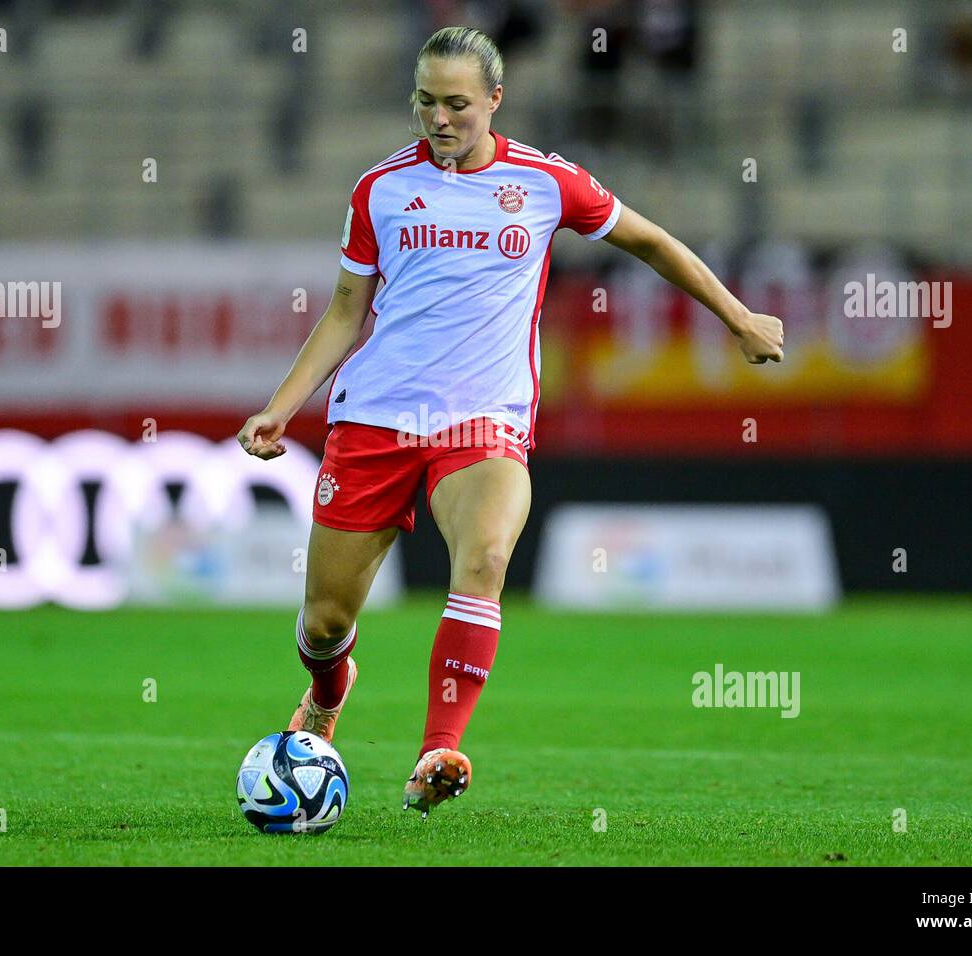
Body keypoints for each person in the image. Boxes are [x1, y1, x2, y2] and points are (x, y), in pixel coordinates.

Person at [236, 25, 784, 817]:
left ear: (495, 98)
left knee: (486, 556)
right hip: (376, 421)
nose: (440, 119)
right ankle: (329, 687)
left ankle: (438, 749)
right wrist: (280, 408)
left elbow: (652, 242)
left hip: (483, 422)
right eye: (426, 101)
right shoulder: (380, 190)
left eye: (457, 104)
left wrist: (736, 317)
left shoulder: (546, 182)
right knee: (325, 623)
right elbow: (345, 310)